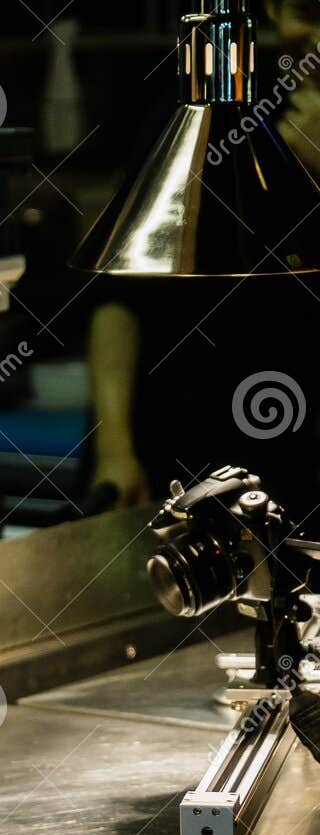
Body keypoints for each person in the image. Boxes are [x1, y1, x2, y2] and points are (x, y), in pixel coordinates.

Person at [89, 0, 320, 518]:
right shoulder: (201, 115)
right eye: (308, 11)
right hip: (176, 456)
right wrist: (114, 450)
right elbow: (118, 302)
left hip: (301, 465)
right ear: (274, 11)